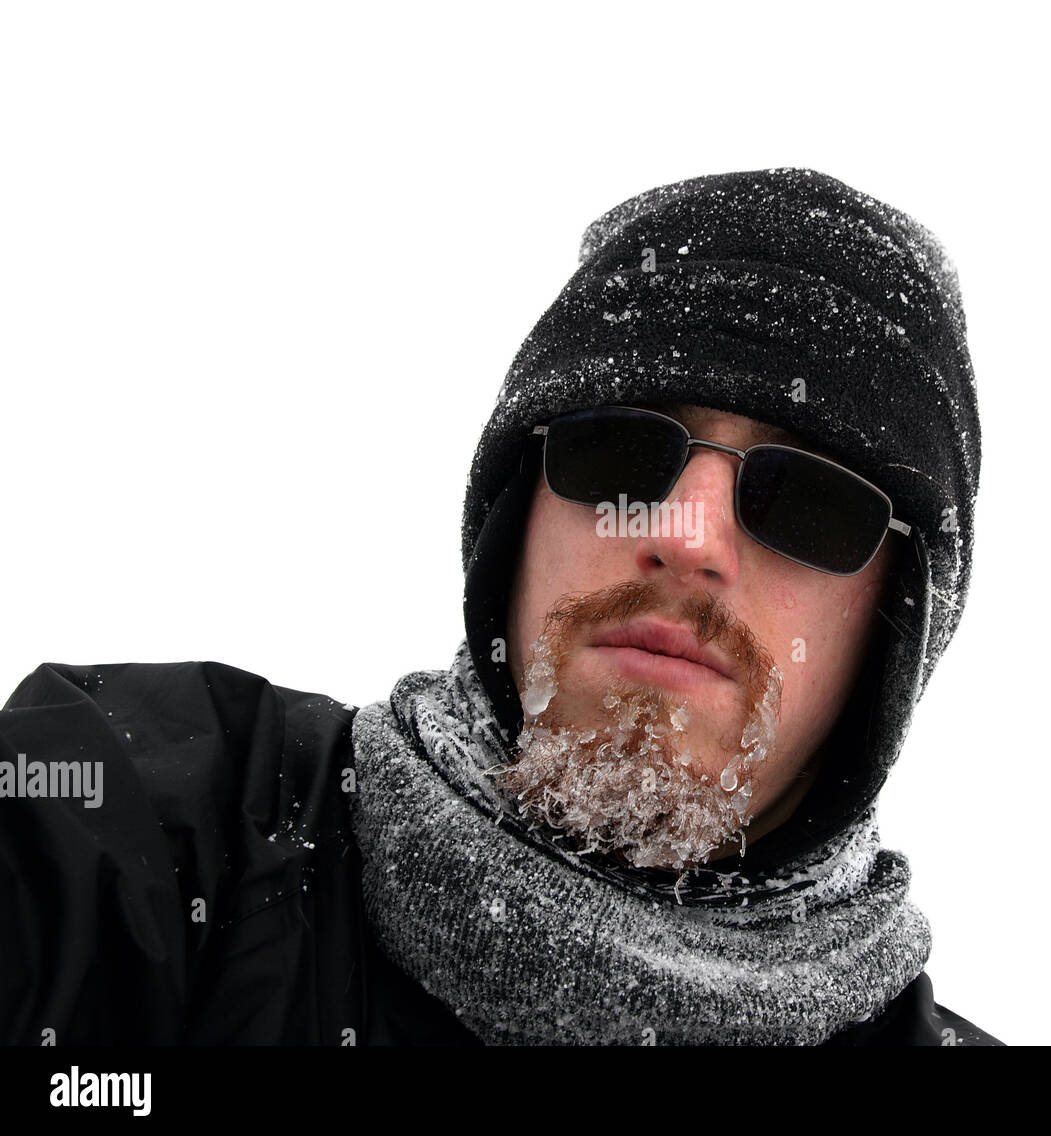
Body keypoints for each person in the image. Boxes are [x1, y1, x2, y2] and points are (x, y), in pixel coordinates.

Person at [0, 167, 1000, 1046]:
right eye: (621, 448)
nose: (687, 534)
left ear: (894, 624)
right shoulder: (150, 819)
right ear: (514, 521)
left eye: (808, 502)